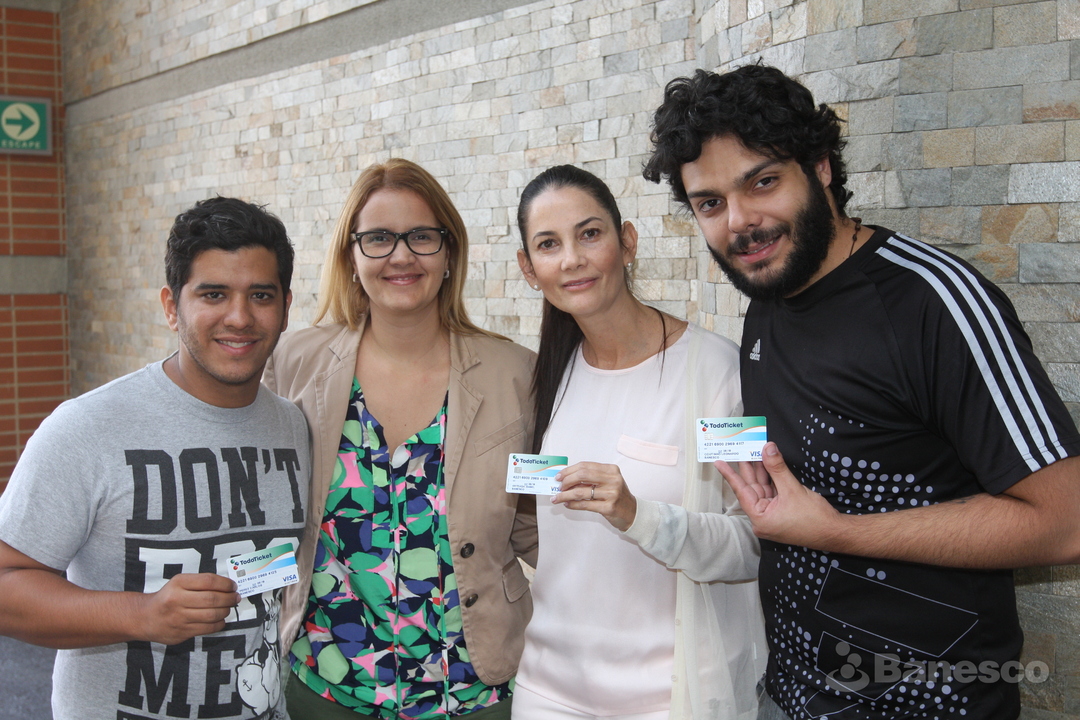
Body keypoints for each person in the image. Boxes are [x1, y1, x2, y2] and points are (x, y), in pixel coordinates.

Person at [643, 64, 1080, 720]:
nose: (740, 223)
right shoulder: (767, 294)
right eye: (710, 203)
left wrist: (838, 532)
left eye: (762, 181)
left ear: (819, 167)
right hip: (789, 696)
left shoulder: (933, 301)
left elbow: (1065, 522)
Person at [0, 196, 310, 720]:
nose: (240, 316)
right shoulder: (86, 428)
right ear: (171, 306)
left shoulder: (296, 429)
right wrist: (143, 614)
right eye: (213, 293)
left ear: (284, 308)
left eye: (261, 295)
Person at [263, 158, 537, 720]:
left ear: (449, 251)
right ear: (351, 254)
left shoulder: (515, 374)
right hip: (328, 687)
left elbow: (540, 524)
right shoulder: (295, 362)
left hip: (475, 690)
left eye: (421, 236)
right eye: (379, 238)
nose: (401, 256)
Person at [511, 164, 766, 720]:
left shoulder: (719, 372)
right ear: (530, 270)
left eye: (590, 234)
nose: (572, 259)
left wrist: (639, 515)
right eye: (549, 245)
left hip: (675, 699)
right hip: (547, 692)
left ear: (626, 243)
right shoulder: (544, 380)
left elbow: (756, 541)